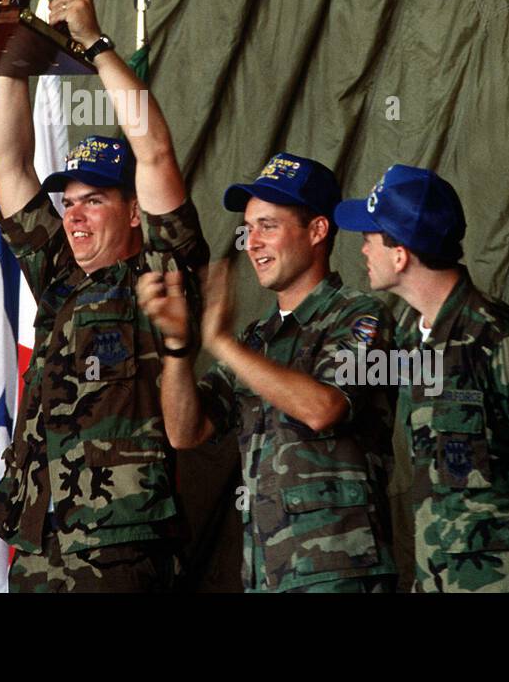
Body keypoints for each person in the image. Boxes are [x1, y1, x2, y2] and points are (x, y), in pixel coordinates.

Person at [0, 0, 209, 593]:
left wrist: (96, 44)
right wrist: (7, 49)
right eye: (70, 203)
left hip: (123, 553)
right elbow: (8, 165)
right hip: (38, 541)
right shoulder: (61, 277)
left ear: (135, 211)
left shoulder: (160, 272)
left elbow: (155, 153)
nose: (75, 215)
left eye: (95, 202)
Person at [139, 153, 398, 593]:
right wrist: (180, 348)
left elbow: (324, 407)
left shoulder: (360, 316)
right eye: (249, 227)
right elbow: (186, 432)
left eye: (268, 226)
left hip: (342, 574)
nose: (251, 242)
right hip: (266, 573)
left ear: (317, 231)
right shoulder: (256, 339)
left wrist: (220, 342)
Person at [334, 164, 509, 592]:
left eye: (369, 237)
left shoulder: (501, 340)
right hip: (434, 573)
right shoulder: (406, 335)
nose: (363, 250)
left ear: (400, 254)